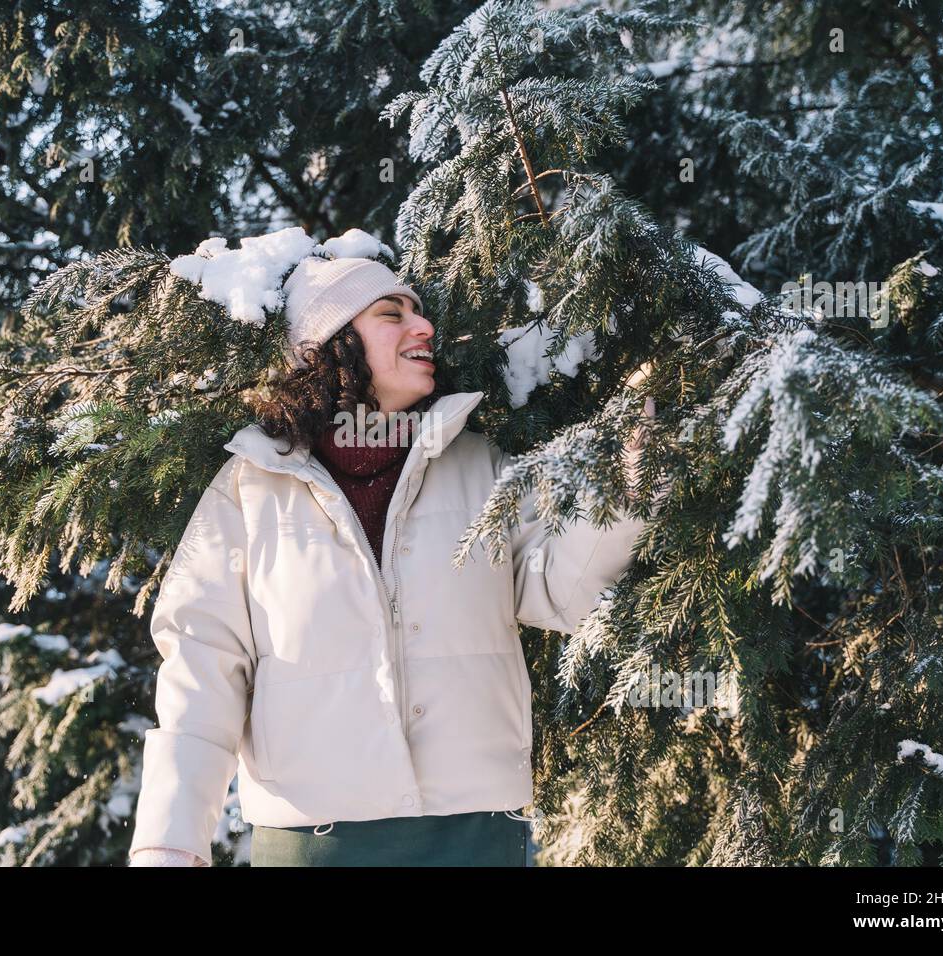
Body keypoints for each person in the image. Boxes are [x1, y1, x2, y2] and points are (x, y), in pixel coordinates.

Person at [128, 255, 650, 866]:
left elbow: (561, 592)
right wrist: (170, 843)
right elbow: (202, 666)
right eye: (391, 314)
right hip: (313, 840)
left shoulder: (480, 466)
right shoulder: (249, 489)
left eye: (421, 312)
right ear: (330, 345)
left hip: (472, 833)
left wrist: (631, 482)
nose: (423, 327)